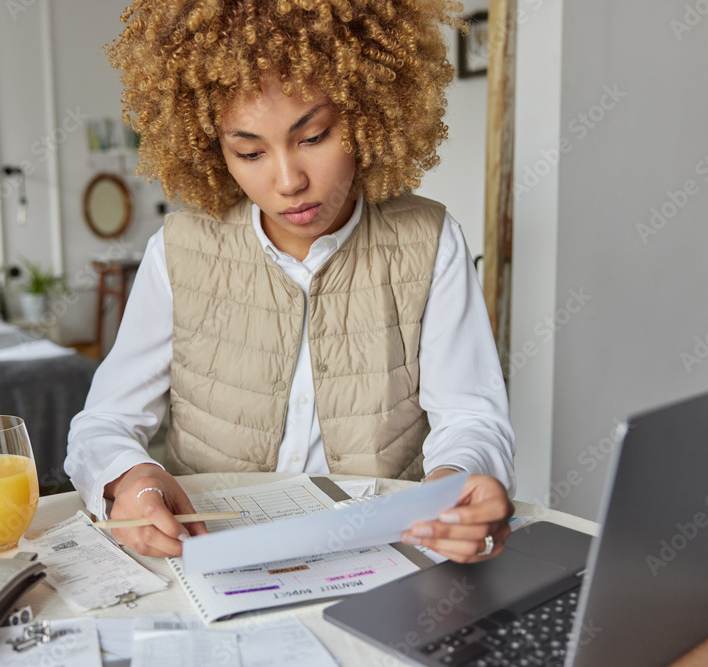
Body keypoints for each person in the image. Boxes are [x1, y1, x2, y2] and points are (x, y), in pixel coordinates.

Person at [65, 0, 516, 564]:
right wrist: (132, 480)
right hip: (210, 557)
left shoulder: (430, 239)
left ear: (370, 110)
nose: (288, 181)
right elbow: (104, 423)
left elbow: (471, 417)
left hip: (380, 556)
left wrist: (458, 484)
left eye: (314, 137)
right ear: (212, 149)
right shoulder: (179, 251)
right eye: (249, 151)